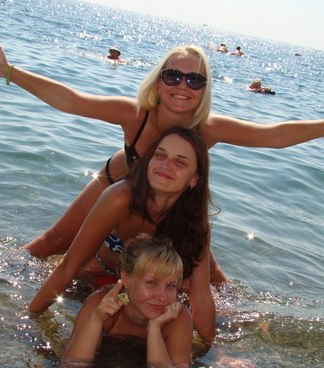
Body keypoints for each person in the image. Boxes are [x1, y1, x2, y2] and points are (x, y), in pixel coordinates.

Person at [0, 37, 324, 282]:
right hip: (116, 184)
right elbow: (71, 100)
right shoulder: (135, 114)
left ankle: (233, 327)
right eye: (173, 76)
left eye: (195, 80)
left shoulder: (208, 129)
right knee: (54, 242)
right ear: (159, 81)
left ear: (205, 89)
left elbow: (273, 136)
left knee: (211, 277)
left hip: (171, 200)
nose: (183, 86)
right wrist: (10, 72)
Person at [28, 127, 216, 346]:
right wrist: (30, 316)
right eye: (160, 155)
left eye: (180, 162)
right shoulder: (120, 198)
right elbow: (69, 266)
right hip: (94, 274)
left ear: (194, 179)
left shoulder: (194, 223)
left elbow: (201, 294)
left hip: (148, 289)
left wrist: (211, 350)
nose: (166, 165)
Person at [62, 237, 192, 368]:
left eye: (170, 286)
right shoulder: (100, 304)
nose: (162, 297)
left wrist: (155, 329)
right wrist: (96, 320)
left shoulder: (179, 318)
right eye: (151, 283)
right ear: (127, 279)